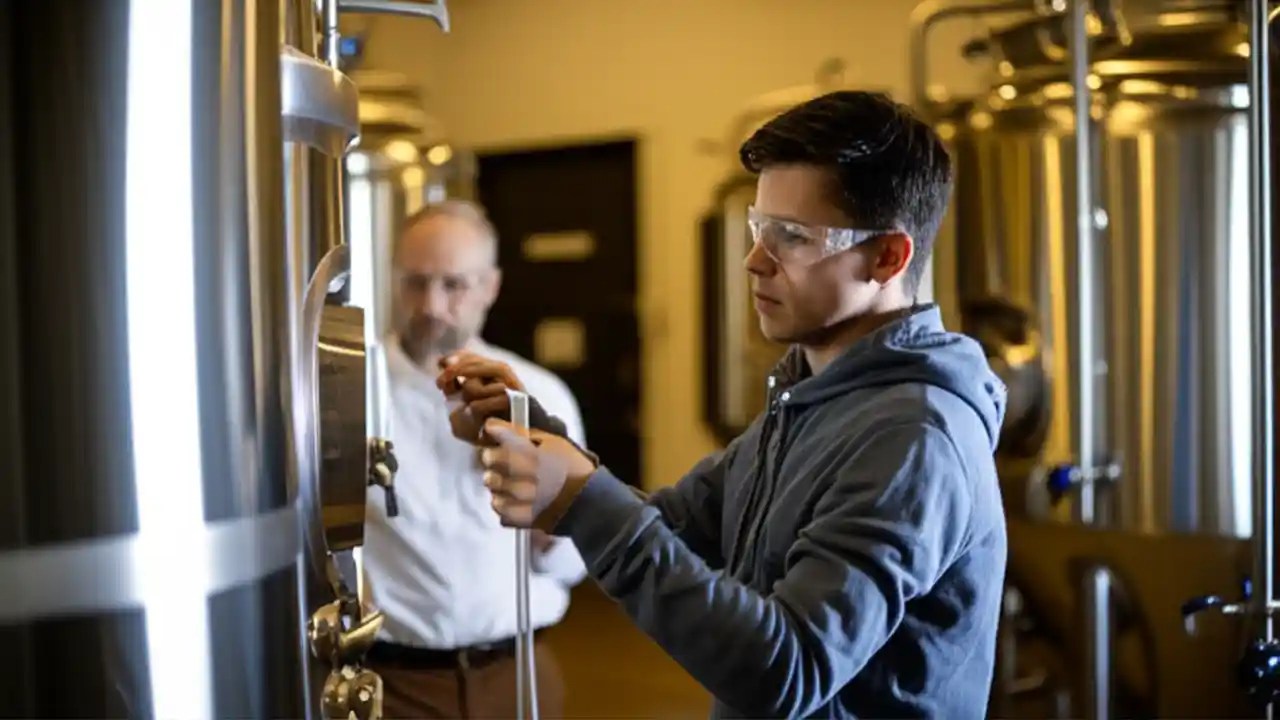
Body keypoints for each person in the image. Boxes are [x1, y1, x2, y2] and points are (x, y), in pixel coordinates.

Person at [438, 91, 1009, 719]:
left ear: (887, 257)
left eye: (792, 237)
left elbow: (785, 672)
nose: (754, 260)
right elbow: (677, 526)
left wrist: (580, 497)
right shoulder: (811, 397)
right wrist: (535, 431)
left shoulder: (914, 437)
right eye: (758, 227)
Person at [361, 200, 588, 719]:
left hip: (515, 674)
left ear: (491, 286)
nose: (432, 305)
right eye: (415, 282)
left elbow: (574, 562)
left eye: (453, 285)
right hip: (393, 682)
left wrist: (539, 502)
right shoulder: (353, 392)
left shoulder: (541, 394)